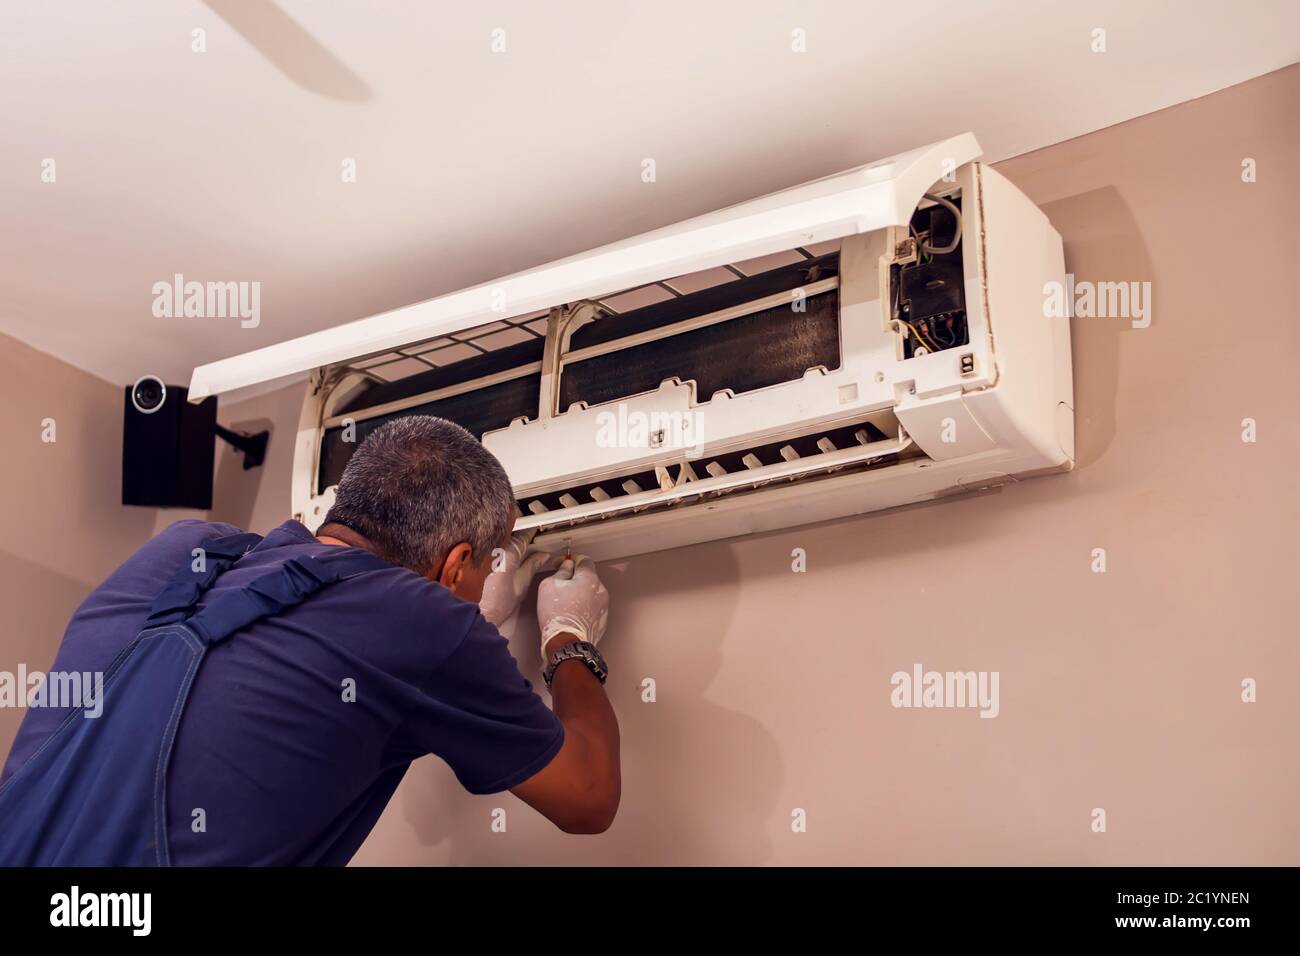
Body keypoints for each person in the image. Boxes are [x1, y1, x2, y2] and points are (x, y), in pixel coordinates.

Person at [0, 415, 619, 865]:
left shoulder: (179, 552)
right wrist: (568, 638)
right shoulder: (425, 622)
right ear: (455, 566)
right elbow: (588, 798)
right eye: (490, 561)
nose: (489, 577)